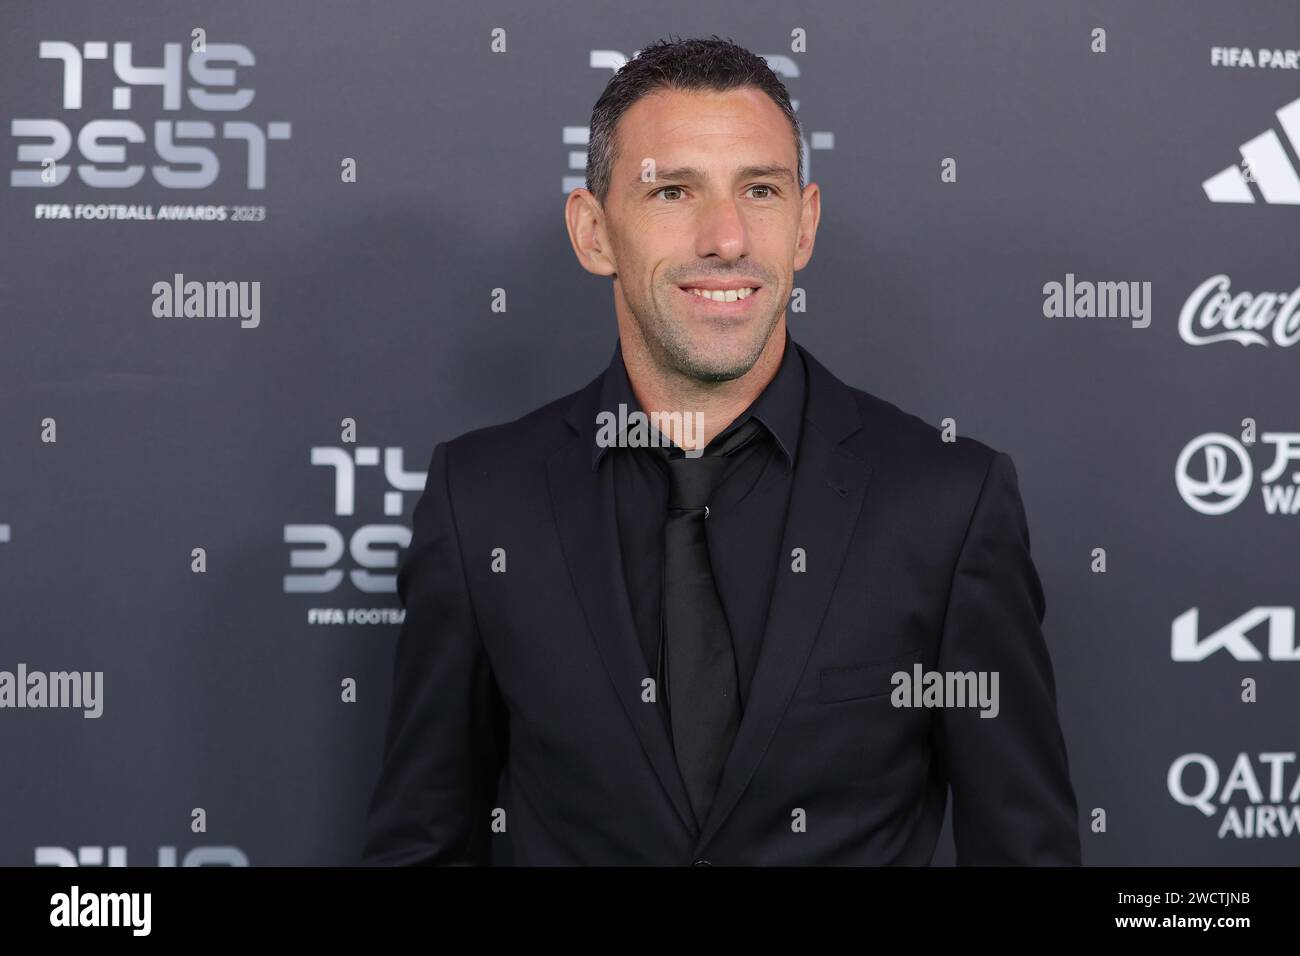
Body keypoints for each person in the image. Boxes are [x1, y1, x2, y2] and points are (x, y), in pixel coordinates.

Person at [361, 35, 1080, 866]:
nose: (727, 238)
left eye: (761, 190)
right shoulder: (480, 499)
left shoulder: (949, 501)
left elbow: (1026, 850)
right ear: (595, 233)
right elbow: (423, 842)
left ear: (804, 225)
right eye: (672, 191)